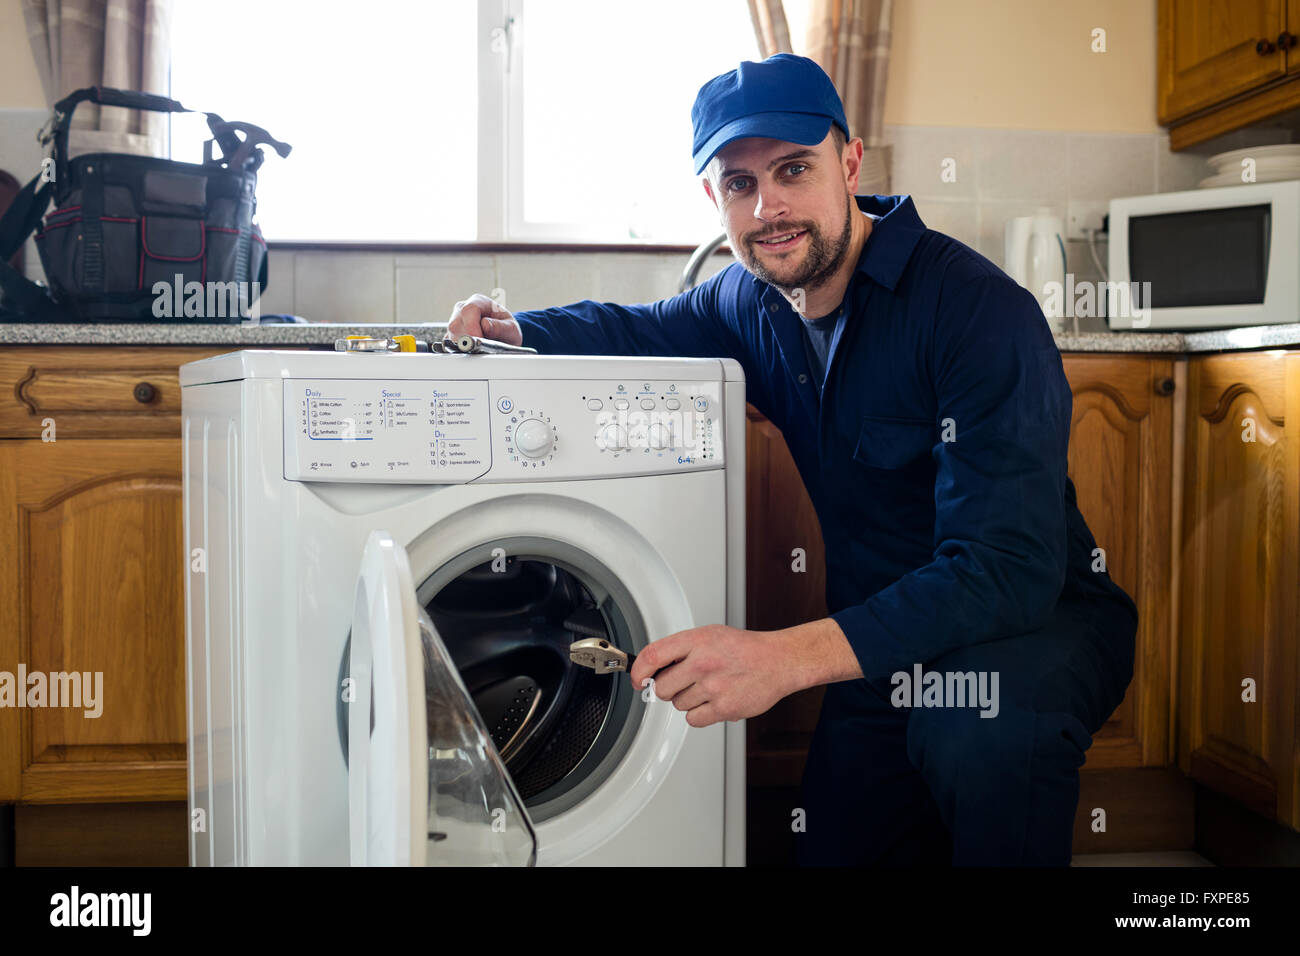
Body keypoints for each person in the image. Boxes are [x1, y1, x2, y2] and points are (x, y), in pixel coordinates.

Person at [447, 53, 1138, 866]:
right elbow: (641, 327)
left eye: (792, 169)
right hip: (881, 640)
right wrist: (515, 329)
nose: (768, 206)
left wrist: (781, 658)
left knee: (981, 738)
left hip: (1032, 623)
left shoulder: (978, 312)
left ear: (849, 164)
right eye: (739, 184)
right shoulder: (751, 300)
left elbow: (1008, 570)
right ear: (715, 199)